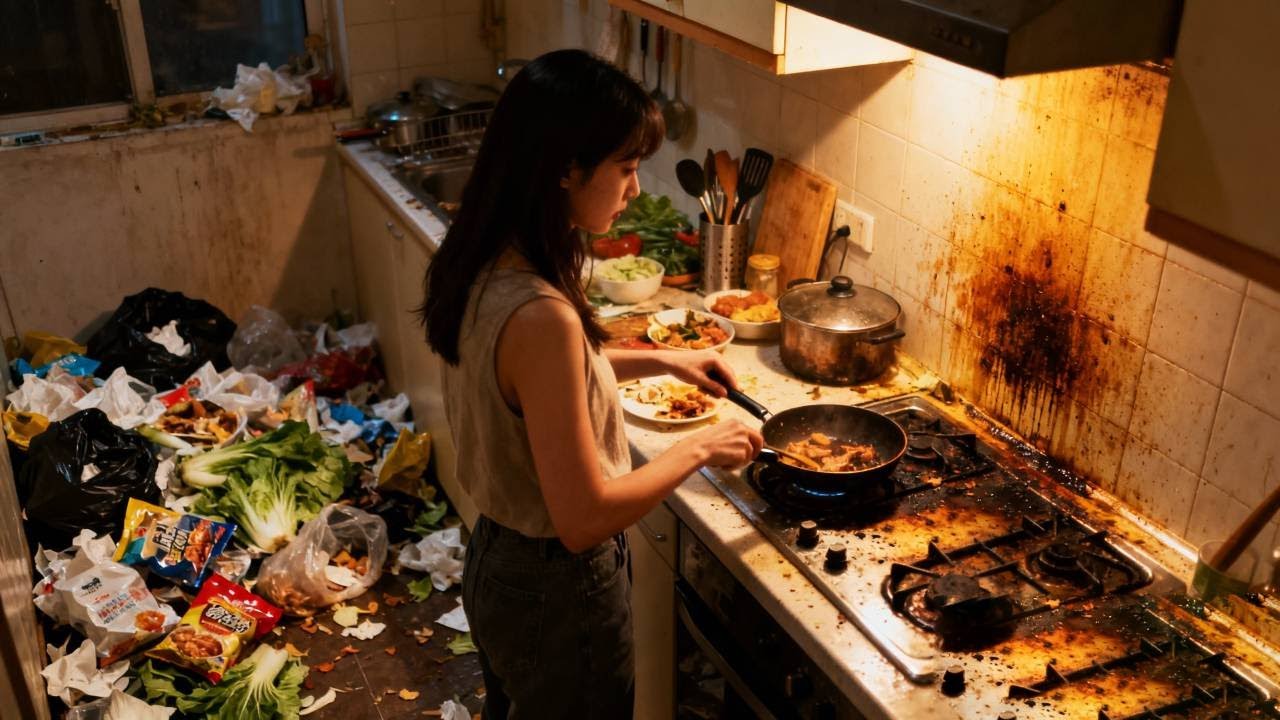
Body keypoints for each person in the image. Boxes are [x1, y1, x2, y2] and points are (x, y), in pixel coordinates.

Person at [418, 49, 764, 719]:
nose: (635, 190)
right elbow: (583, 519)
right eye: (627, 169)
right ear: (564, 170)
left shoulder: (486, 254)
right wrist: (699, 449)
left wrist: (663, 359)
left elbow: (539, 384)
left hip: (497, 565)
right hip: (558, 594)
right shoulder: (540, 313)